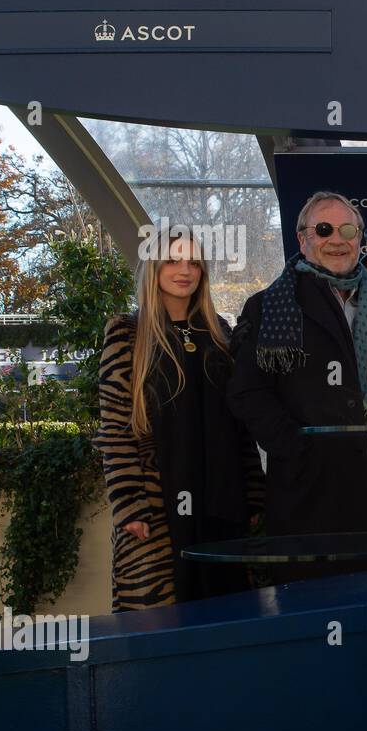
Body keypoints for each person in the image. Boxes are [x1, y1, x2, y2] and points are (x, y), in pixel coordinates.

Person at [94, 231, 263, 611]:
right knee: (161, 628)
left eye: (193, 263)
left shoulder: (220, 332)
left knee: (228, 616)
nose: (184, 271)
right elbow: (116, 428)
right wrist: (129, 504)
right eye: (172, 261)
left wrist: (253, 492)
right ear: (153, 268)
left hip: (222, 500)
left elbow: (241, 425)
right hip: (156, 505)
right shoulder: (127, 333)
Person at [228, 191, 367, 546]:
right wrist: (299, 448)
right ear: (302, 240)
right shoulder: (269, 306)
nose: (337, 240)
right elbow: (248, 392)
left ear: (359, 240)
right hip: (305, 495)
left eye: (347, 230)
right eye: (324, 230)